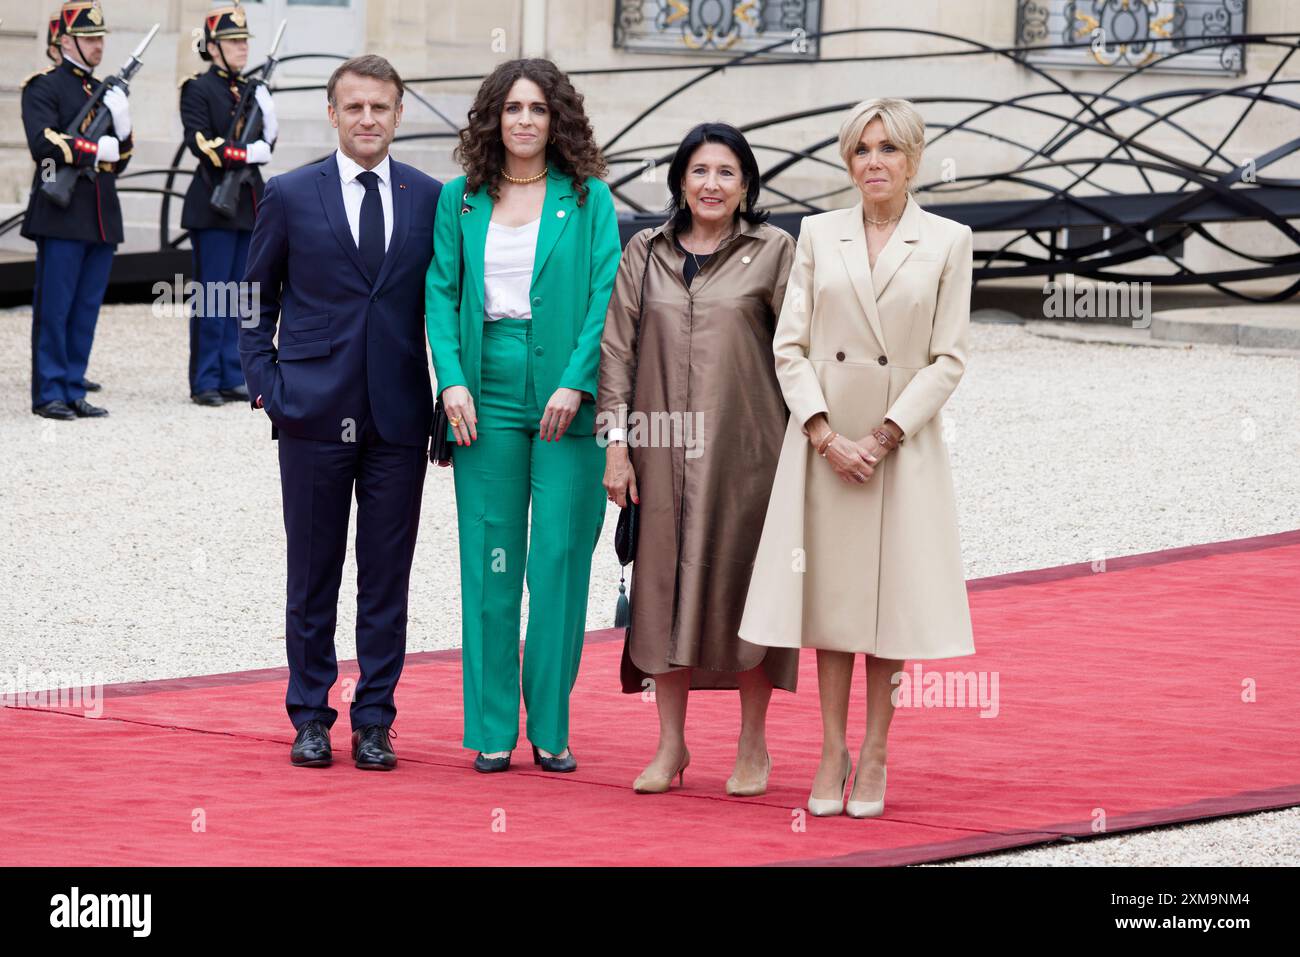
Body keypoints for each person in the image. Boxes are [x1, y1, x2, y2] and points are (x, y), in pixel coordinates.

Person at [739, 97, 976, 818]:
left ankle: (875, 750)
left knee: (890, 608)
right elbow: (790, 344)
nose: (874, 162)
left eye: (889, 150)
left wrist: (883, 436)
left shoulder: (947, 240)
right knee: (835, 606)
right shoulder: (817, 233)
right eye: (862, 151)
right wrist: (822, 433)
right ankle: (831, 746)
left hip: (898, 447)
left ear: (914, 157)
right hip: (825, 444)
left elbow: (950, 356)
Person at [240, 55, 442, 770]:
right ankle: (310, 714)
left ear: (398, 114)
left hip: (398, 419)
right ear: (332, 113)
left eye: (379, 107)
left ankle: (376, 720)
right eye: (353, 107)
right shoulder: (291, 195)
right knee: (313, 571)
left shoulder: (429, 198)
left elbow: (446, 307)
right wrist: (267, 384)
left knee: (386, 576)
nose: (366, 119)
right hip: (312, 415)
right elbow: (250, 300)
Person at [425, 58, 620, 774]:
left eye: (538, 108)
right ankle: (493, 726)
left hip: (568, 386)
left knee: (559, 558)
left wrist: (576, 382)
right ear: (493, 119)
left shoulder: (589, 197)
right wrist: (450, 381)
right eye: (512, 108)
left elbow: (606, 295)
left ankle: (552, 724)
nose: (525, 120)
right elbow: (441, 294)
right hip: (485, 387)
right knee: (490, 559)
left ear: (557, 117)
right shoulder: (461, 200)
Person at [597, 122, 798, 796]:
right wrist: (615, 445)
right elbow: (616, 351)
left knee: (745, 593)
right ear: (680, 180)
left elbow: (798, 349)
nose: (712, 184)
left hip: (747, 455)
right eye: (700, 171)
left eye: (727, 173)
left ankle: (752, 746)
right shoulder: (643, 253)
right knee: (660, 595)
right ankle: (671, 744)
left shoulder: (774, 251)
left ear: (747, 186)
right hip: (657, 453)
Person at [21, 0, 132, 420]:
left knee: (85, 308)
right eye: (89, 37)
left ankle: (72, 387)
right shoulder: (43, 86)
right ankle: (49, 391)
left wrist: (120, 127)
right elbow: (43, 146)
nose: (98, 45)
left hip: (101, 214)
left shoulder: (103, 90)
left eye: (100, 37)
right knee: (56, 307)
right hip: (62, 213)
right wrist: (92, 149)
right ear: (66, 41)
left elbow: (121, 158)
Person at [180, 1, 276, 406]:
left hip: (247, 205)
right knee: (214, 293)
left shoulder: (253, 90)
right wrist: (246, 153)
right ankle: (205, 379)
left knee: (243, 295)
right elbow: (202, 143)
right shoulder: (197, 88)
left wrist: (267, 125)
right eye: (233, 42)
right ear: (213, 47)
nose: (242, 49)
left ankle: (233, 373)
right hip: (213, 203)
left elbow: (266, 145)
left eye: (243, 41)